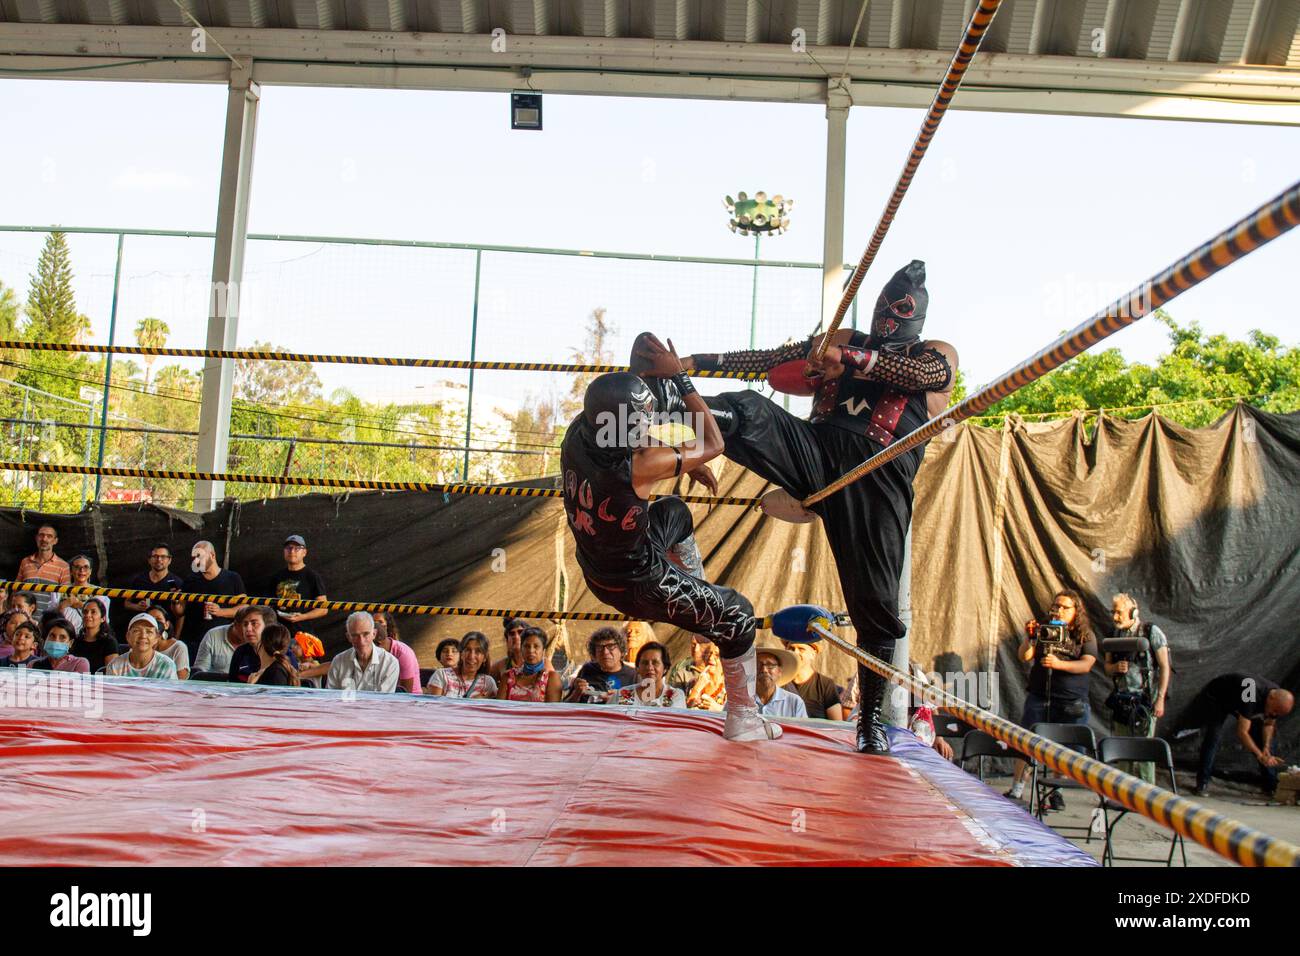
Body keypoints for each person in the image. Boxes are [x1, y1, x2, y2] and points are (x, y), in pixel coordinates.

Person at [668, 261, 958, 754]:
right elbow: (772, 358)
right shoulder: (845, 335)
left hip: (877, 476)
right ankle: (674, 412)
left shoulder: (933, 353)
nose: (891, 318)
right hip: (817, 453)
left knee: (878, 606)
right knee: (749, 410)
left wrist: (848, 359)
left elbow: (928, 373)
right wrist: (695, 362)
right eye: (889, 307)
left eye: (901, 311)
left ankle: (870, 720)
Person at [561, 333, 779, 740]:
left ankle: (697, 598)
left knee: (674, 513)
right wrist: (681, 378)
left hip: (596, 563)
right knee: (738, 615)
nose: (650, 427)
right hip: (638, 584)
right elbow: (713, 441)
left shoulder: (580, 430)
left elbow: (625, 429)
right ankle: (743, 718)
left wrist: (677, 464)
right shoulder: (637, 466)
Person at [1005, 590, 1098, 804]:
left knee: (1064, 749)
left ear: (1076, 611)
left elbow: (1087, 663)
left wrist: (1059, 664)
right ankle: (1017, 790)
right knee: (1027, 742)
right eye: (1057, 606)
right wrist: (1030, 638)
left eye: (1065, 607)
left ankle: (1056, 792)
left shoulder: (1085, 634)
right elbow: (1024, 656)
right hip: (1040, 696)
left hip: (1071, 699)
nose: (1059, 611)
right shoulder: (1042, 628)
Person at [1178, 673, 1294, 797]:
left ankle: (1271, 786)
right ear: (1271, 698)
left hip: (1239, 702)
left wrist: (1265, 748)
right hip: (1218, 698)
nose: (1273, 713)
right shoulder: (1251, 692)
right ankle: (1202, 783)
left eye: (1277, 713)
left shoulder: (1275, 699)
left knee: (1264, 742)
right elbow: (1242, 732)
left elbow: (1269, 724)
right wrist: (1259, 755)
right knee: (1214, 737)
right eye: (1274, 710)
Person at [1102, 592, 1171, 785]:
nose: (1115, 617)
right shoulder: (1113, 634)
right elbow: (1107, 667)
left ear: (1133, 613)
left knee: (1144, 750)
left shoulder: (1150, 632)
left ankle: (1147, 791)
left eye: (1119, 613)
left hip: (1145, 699)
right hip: (1122, 698)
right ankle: (1124, 790)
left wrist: (1160, 699)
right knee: (1123, 749)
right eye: (1113, 612)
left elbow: (1164, 667)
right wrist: (1115, 668)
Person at [180, 541, 245, 659]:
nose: (196, 561)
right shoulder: (190, 580)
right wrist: (175, 601)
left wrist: (221, 612)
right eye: (194, 558)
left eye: (199, 556)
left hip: (223, 640)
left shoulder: (232, 578)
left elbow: (244, 608)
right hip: (193, 640)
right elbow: (180, 611)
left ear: (212, 555)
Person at [268, 535, 329, 636]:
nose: (292, 551)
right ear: (284, 552)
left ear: (304, 552)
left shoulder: (312, 576)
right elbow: (268, 604)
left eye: (297, 548)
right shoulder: (276, 577)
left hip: (303, 635)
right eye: (288, 548)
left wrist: (302, 617)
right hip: (278, 635)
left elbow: (323, 609)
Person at [326, 611, 399, 693]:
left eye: (366, 634)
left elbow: (383, 702)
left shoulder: (390, 663)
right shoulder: (338, 661)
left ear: (374, 634)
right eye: (355, 635)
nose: (361, 641)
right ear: (348, 637)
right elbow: (331, 698)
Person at [566, 627, 638, 704]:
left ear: (621, 651)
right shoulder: (587, 669)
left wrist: (617, 700)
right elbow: (566, 705)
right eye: (600, 648)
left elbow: (642, 704)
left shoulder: (633, 675)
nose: (605, 652)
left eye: (611, 646)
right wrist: (577, 693)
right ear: (594, 654)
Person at [15, 524, 70, 616]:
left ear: (55, 541)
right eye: (41, 535)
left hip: (48, 621)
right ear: (36, 538)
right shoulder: (25, 562)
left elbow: (65, 597)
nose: (44, 539)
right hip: (25, 620)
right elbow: (16, 590)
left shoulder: (63, 566)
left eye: (49, 536)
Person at [782, 639, 844, 720]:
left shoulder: (826, 684)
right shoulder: (780, 682)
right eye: (791, 648)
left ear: (813, 654)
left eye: (801, 649)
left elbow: (837, 725)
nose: (795, 653)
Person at [497, 626, 561, 703]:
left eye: (536, 646)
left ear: (543, 651)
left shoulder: (551, 678)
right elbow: (499, 710)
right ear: (521, 649)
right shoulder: (507, 677)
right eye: (527, 646)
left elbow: (552, 712)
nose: (531, 650)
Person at [123, 542, 185, 620]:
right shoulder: (140, 580)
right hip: (143, 624)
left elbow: (181, 614)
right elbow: (127, 603)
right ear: (149, 560)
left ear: (169, 560)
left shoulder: (174, 583)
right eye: (155, 556)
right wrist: (137, 607)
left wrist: (175, 603)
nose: (159, 560)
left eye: (163, 557)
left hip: (165, 627)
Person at [106, 614, 179, 680]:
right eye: (136, 631)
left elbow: (168, 694)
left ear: (156, 638)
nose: (143, 636)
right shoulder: (115, 666)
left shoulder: (166, 665)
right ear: (128, 636)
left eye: (149, 632)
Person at [425, 631, 497, 699]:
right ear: (461, 654)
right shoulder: (442, 675)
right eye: (468, 650)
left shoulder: (488, 684)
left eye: (478, 651)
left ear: (484, 657)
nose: (471, 656)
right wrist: (472, 702)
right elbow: (432, 708)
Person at [617, 641, 686, 707]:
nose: (649, 667)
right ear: (637, 668)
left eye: (655, 663)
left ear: (665, 668)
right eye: (645, 663)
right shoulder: (624, 694)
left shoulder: (674, 695)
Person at [667, 634, 726, 711]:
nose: (711, 658)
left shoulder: (731, 682)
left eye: (717, 655)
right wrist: (697, 689)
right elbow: (674, 710)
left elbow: (740, 714)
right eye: (710, 653)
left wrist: (719, 709)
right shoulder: (682, 671)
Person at [228, 607, 285, 683]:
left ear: (268, 627)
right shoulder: (240, 652)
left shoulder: (283, 654)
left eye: (254, 623)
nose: (248, 629)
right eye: (245, 624)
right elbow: (232, 685)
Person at [754, 646, 807, 719]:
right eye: (758, 665)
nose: (764, 670)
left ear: (779, 671)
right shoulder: (740, 700)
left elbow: (802, 729)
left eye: (770, 665)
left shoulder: (795, 702)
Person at [374, 612, 421, 693]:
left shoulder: (403, 652)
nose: (376, 625)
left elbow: (405, 692)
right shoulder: (366, 651)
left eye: (380, 622)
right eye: (373, 622)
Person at [72, 597, 118, 674]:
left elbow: (111, 674)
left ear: (103, 618)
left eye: (93, 612)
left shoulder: (109, 642)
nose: (87, 615)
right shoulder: (75, 640)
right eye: (85, 612)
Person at [147, 605, 190, 680]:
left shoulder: (178, 647)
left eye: (158, 619)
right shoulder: (141, 645)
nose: (154, 623)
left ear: (167, 625)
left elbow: (180, 681)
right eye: (150, 619)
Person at [56, 554, 95, 629]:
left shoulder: (99, 592)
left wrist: (80, 605)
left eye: (86, 567)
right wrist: (63, 605)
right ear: (71, 571)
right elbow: (51, 616)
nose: (82, 570)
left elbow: (103, 618)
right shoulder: (60, 590)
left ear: (90, 571)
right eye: (77, 567)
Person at [491, 618, 528, 682]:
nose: (516, 637)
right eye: (512, 633)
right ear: (507, 640)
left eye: (520, 632)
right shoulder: (501, 665)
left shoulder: (543, 663)